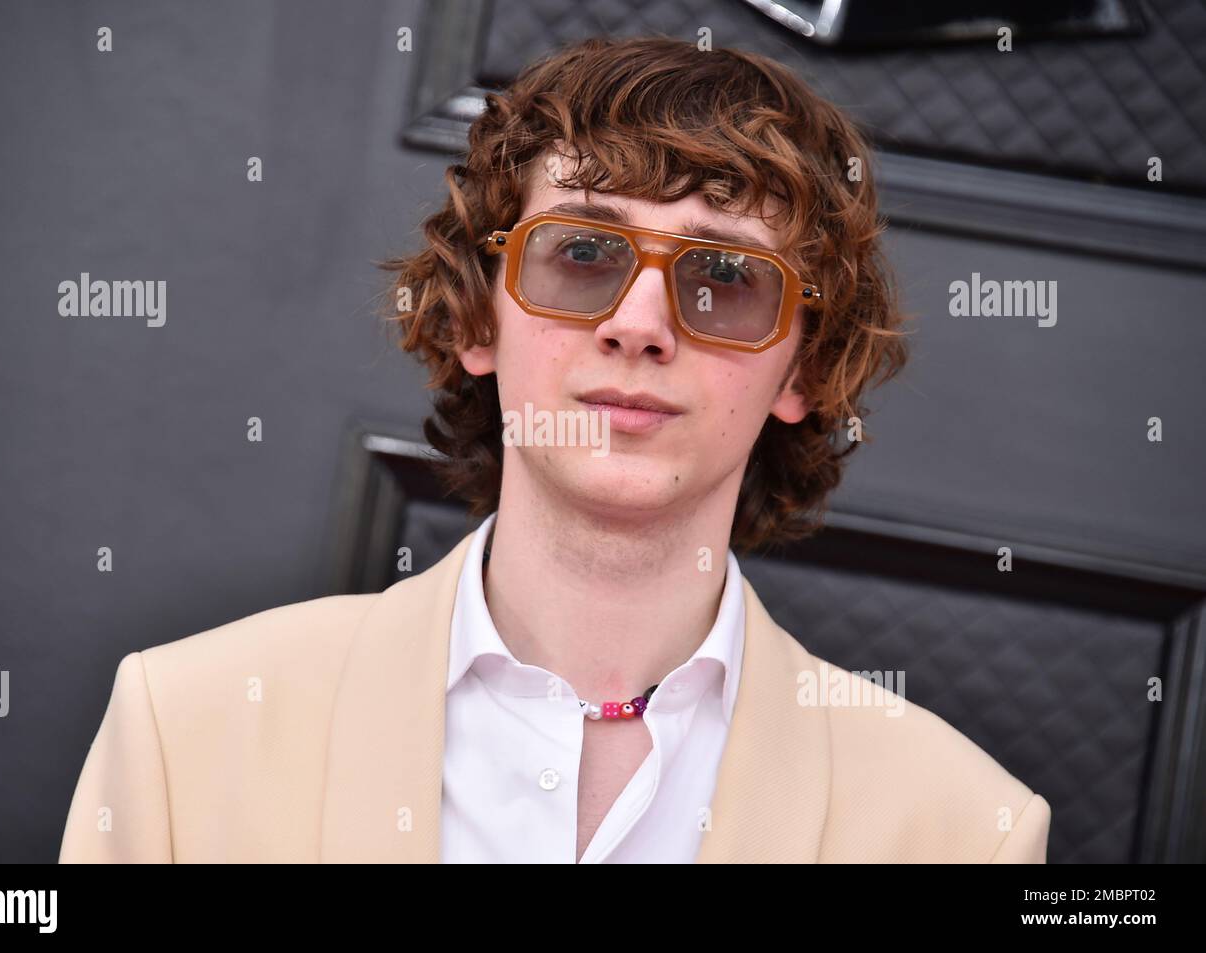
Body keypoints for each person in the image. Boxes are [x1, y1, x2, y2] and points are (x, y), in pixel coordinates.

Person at [59, 35, 1050, 863]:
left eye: (723, 277)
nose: (639, 324)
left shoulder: (965, 830)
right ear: (475, 320)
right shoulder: (185, 726)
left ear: (802, 369)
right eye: (581, 252)